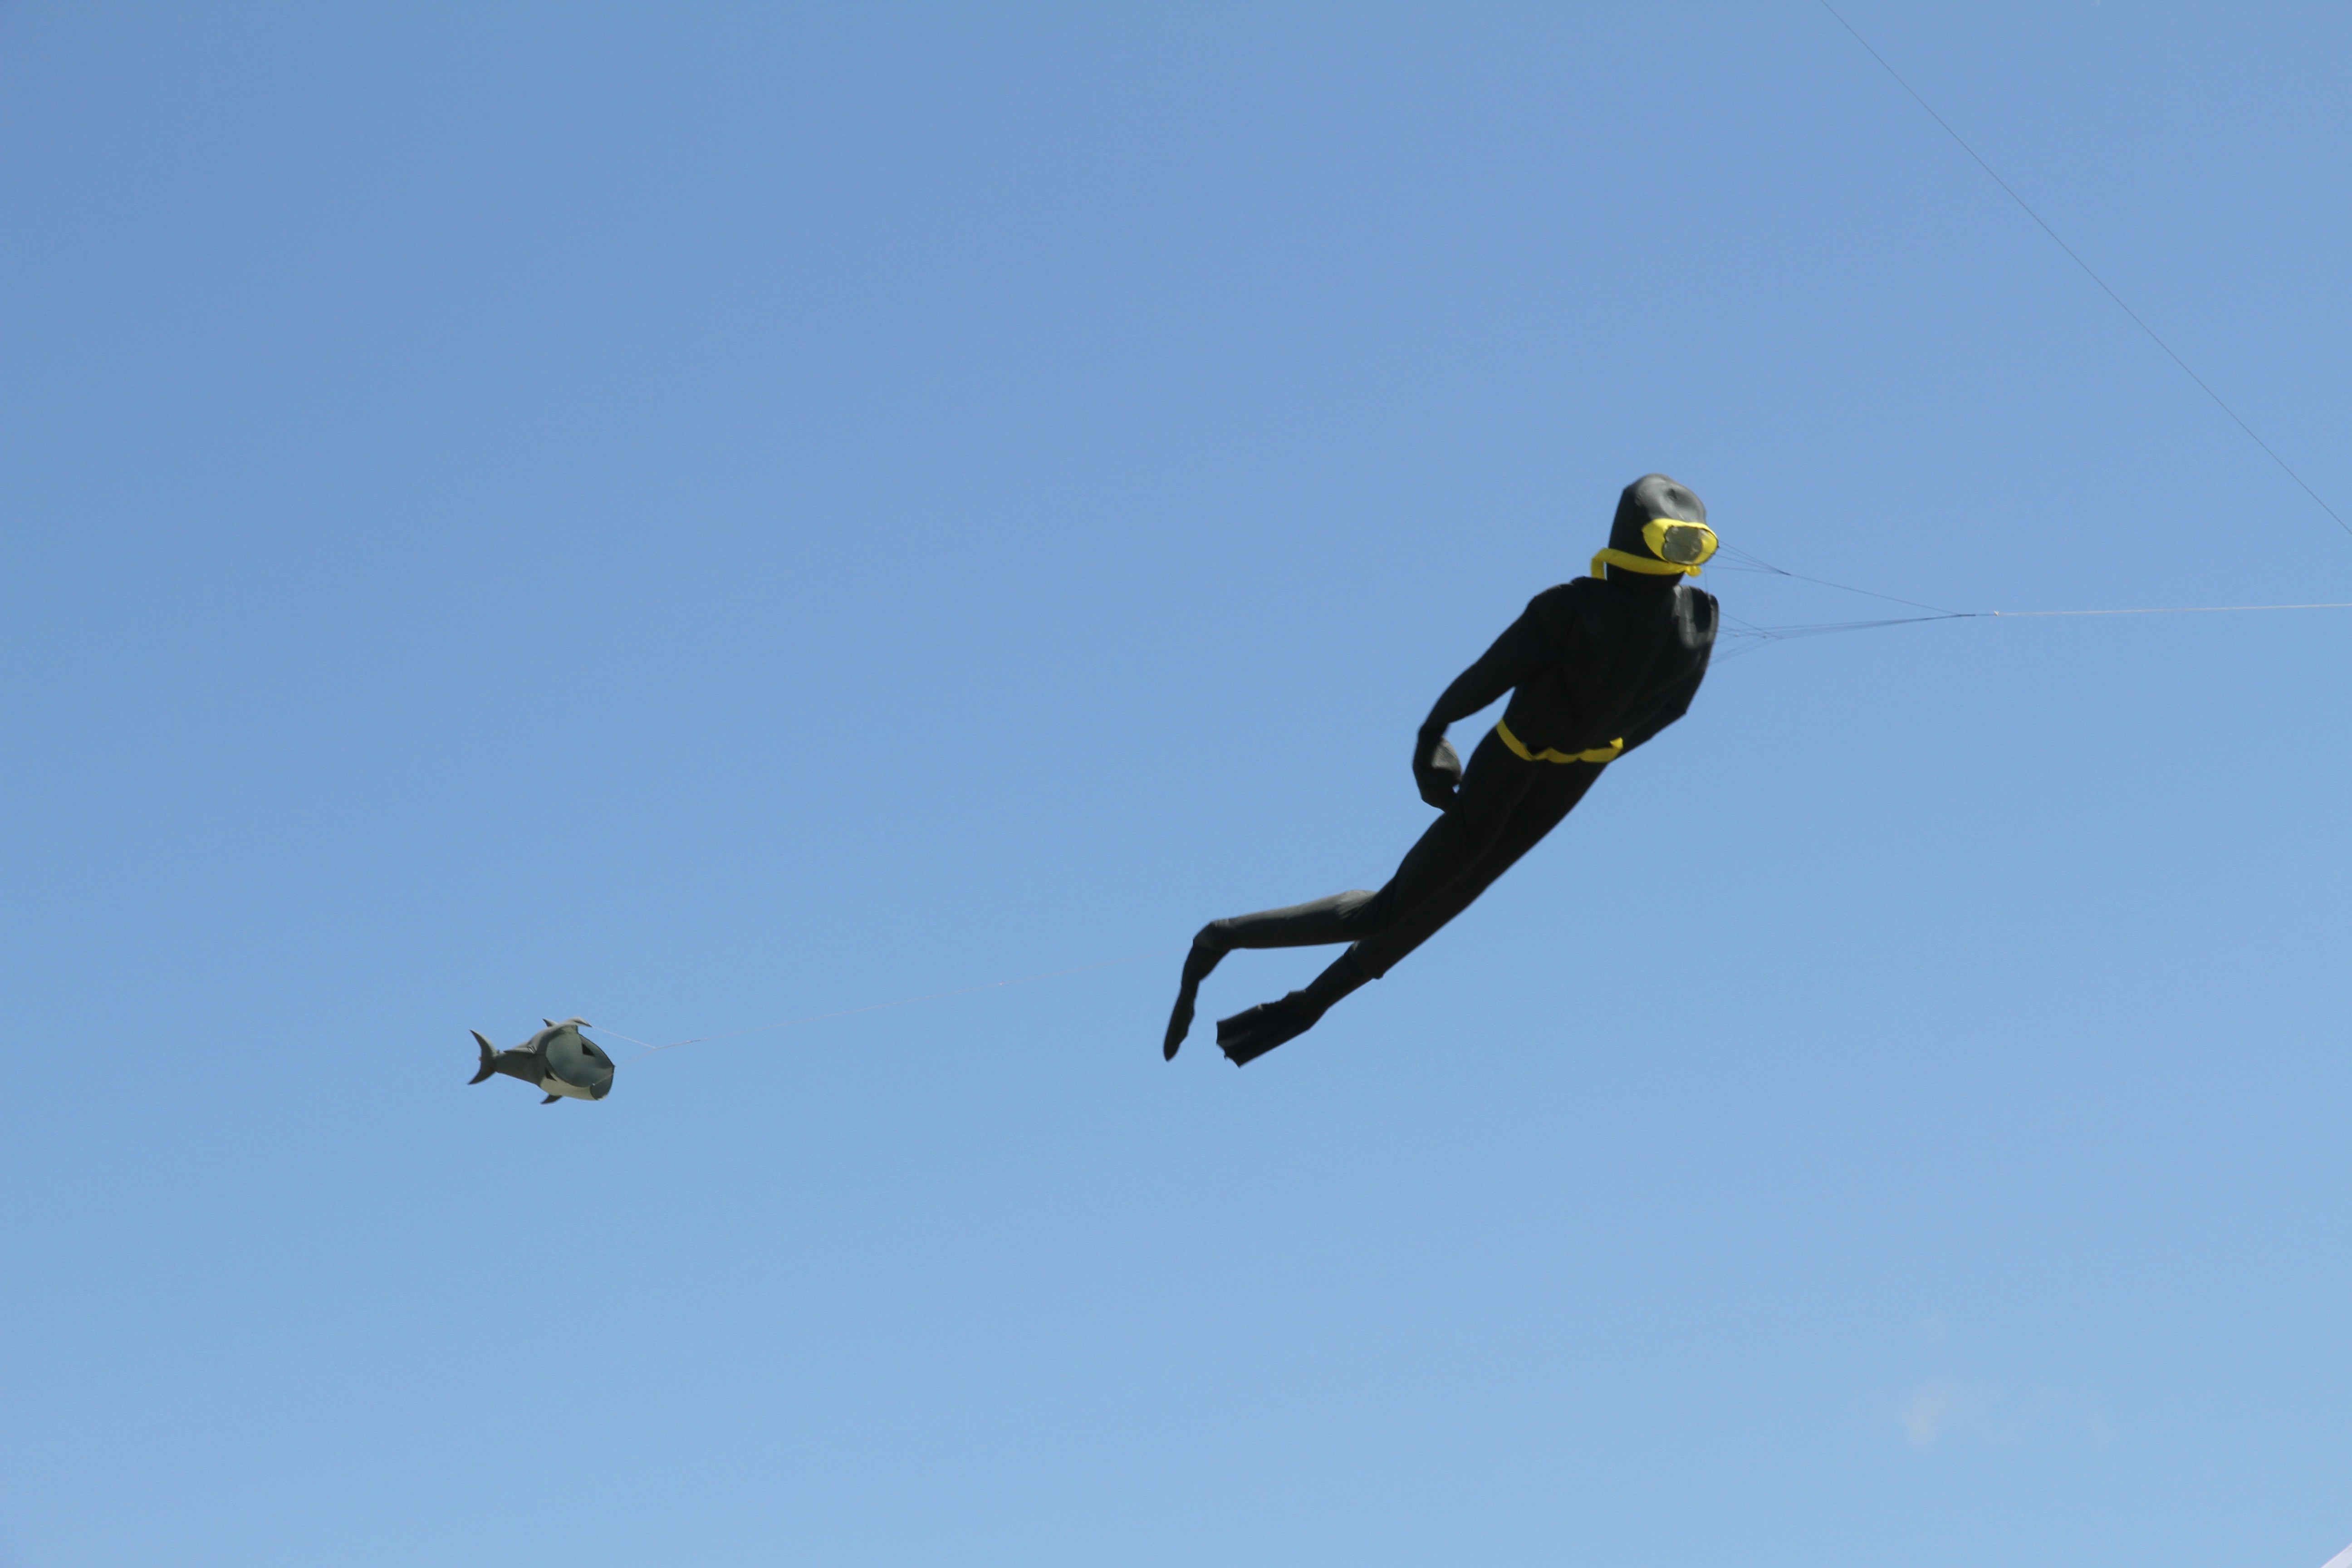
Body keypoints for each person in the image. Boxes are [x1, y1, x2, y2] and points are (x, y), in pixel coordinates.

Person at [1164, 474, 1722, 1066]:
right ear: (1640, 538)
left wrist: (1601, 748)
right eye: (1674, 541)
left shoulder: (1694, 619)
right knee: (1392, 908)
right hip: (1517, 763)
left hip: (1570, 776)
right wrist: (1434, 735)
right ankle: (1221, 936)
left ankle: (1312, 1002)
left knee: (1462, 890)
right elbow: (1491, 674)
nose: (1683, 559)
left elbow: (1671, 708)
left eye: (1696, 545)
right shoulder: (1577, 609)